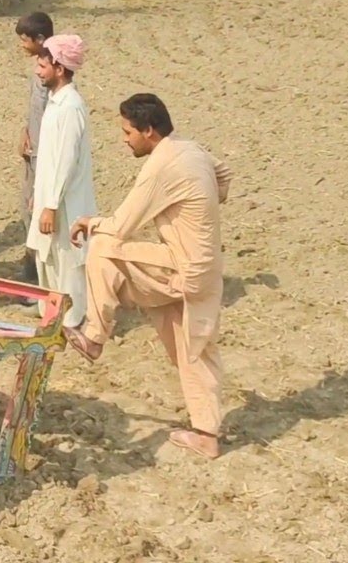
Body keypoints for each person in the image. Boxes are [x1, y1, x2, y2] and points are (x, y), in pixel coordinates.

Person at [68, 93, 233, 460]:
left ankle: (94, 336)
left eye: (128, 132)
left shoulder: (162, 166)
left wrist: (88, 222)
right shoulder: (191, 150)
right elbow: (224, 174)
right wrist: (210, 199)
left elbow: (121, 226)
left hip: (181, 267)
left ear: (148, 131)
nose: (124, 139)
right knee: (193, 348)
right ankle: (207, 435)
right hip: (206, 268)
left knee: (102, 247)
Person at [26, 34, 97, 331]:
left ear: (60, 68)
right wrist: (39, 196)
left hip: (66, 202)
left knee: (68, 262)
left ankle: (72, 319)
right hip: (51, 197)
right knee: (48, 259)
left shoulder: (70, 107)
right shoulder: (57, 103)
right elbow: (49, 159)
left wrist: (52, 205)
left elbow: (65, 162)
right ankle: (52, 314)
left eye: (43, 66)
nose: (38, 71)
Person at [15, 12, 55, 283]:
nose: (21, 45)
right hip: (33, 150)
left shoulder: (52, 71)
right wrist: (26, 131)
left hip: (45, 155)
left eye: (24, 40)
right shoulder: (40, 67)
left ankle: (37, 278)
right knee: (26, 210)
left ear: (39, 39)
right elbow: (35, 109)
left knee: (36, 212)